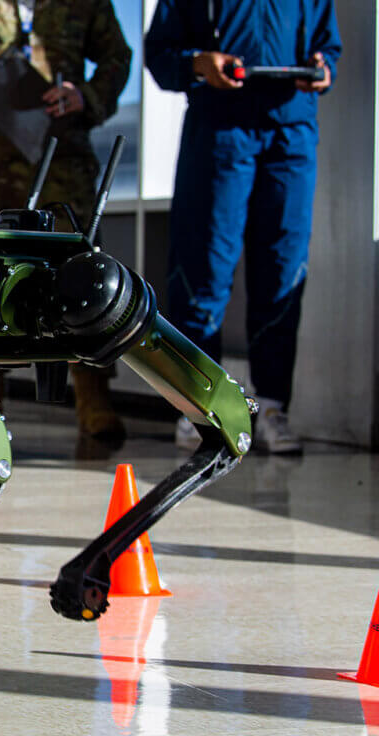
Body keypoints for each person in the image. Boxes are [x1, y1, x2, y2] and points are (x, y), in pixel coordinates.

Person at [0, 0, 131, 439]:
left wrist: (85, 96)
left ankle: (93, 398)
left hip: (62, 159)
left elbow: (117, 57)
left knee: (84, 273)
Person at [146, 1, 340, 455]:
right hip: (220, 130)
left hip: (291, 132)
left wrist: (322, 69)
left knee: (283, 269)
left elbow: (328, 46)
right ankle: (198, 404)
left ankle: (271, 406)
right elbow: (160, 54)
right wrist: (198, 63)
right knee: (203, 269)